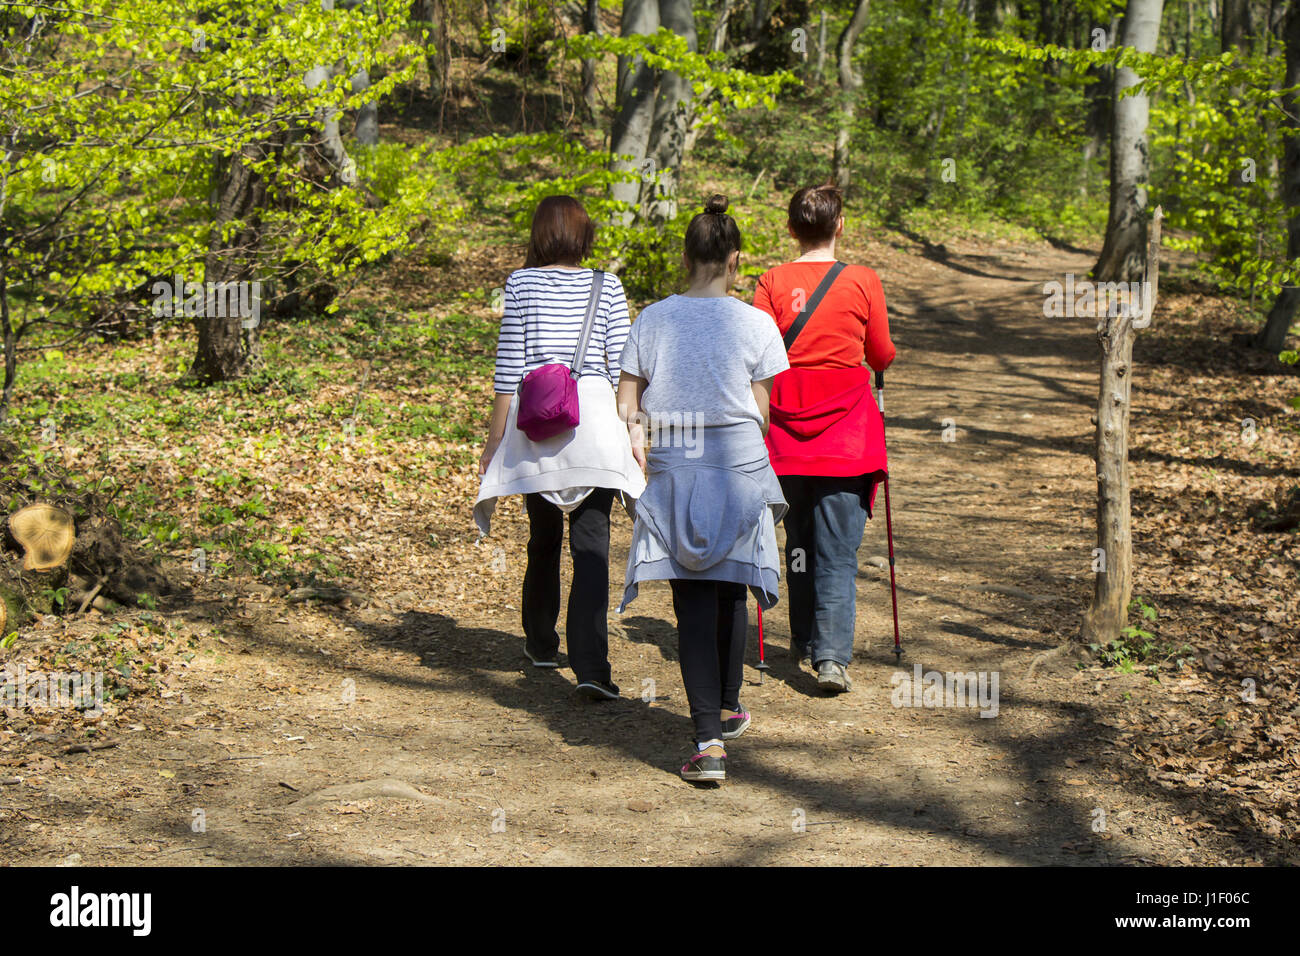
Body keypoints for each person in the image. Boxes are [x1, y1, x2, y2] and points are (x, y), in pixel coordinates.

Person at [616, 194, 788, 784]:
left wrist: (639, 440)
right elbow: (764, 411)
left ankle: (709, 741)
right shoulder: (757, 321)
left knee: (691, 598)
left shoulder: (653, 318)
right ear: (736, 260)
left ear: (685, 256)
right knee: (731, 587)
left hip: (676, 461)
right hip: (739, 462)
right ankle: (727, 705)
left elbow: (626, 401)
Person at [475, 195, 645, 700]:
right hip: (594, 423)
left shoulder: (520, 283)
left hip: (538, 423)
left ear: (539, 234)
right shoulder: (607, 284)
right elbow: (624, 369)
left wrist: (493, 442)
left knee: (543, 537)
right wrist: (635, 432)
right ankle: (592, 667)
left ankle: (542, 642)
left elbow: (509, 372)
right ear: (583, 235)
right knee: (591, 545)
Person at [752, 183, 896, 694]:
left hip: (785, 432)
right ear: (840, 226)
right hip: (848, 435)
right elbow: (881, 354)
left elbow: (757, 354)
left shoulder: (770, 281)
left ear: (791, 228)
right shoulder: (862, 280)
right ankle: (831, 659)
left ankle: (805, 641)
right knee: (838, 549)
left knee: (799, 544)